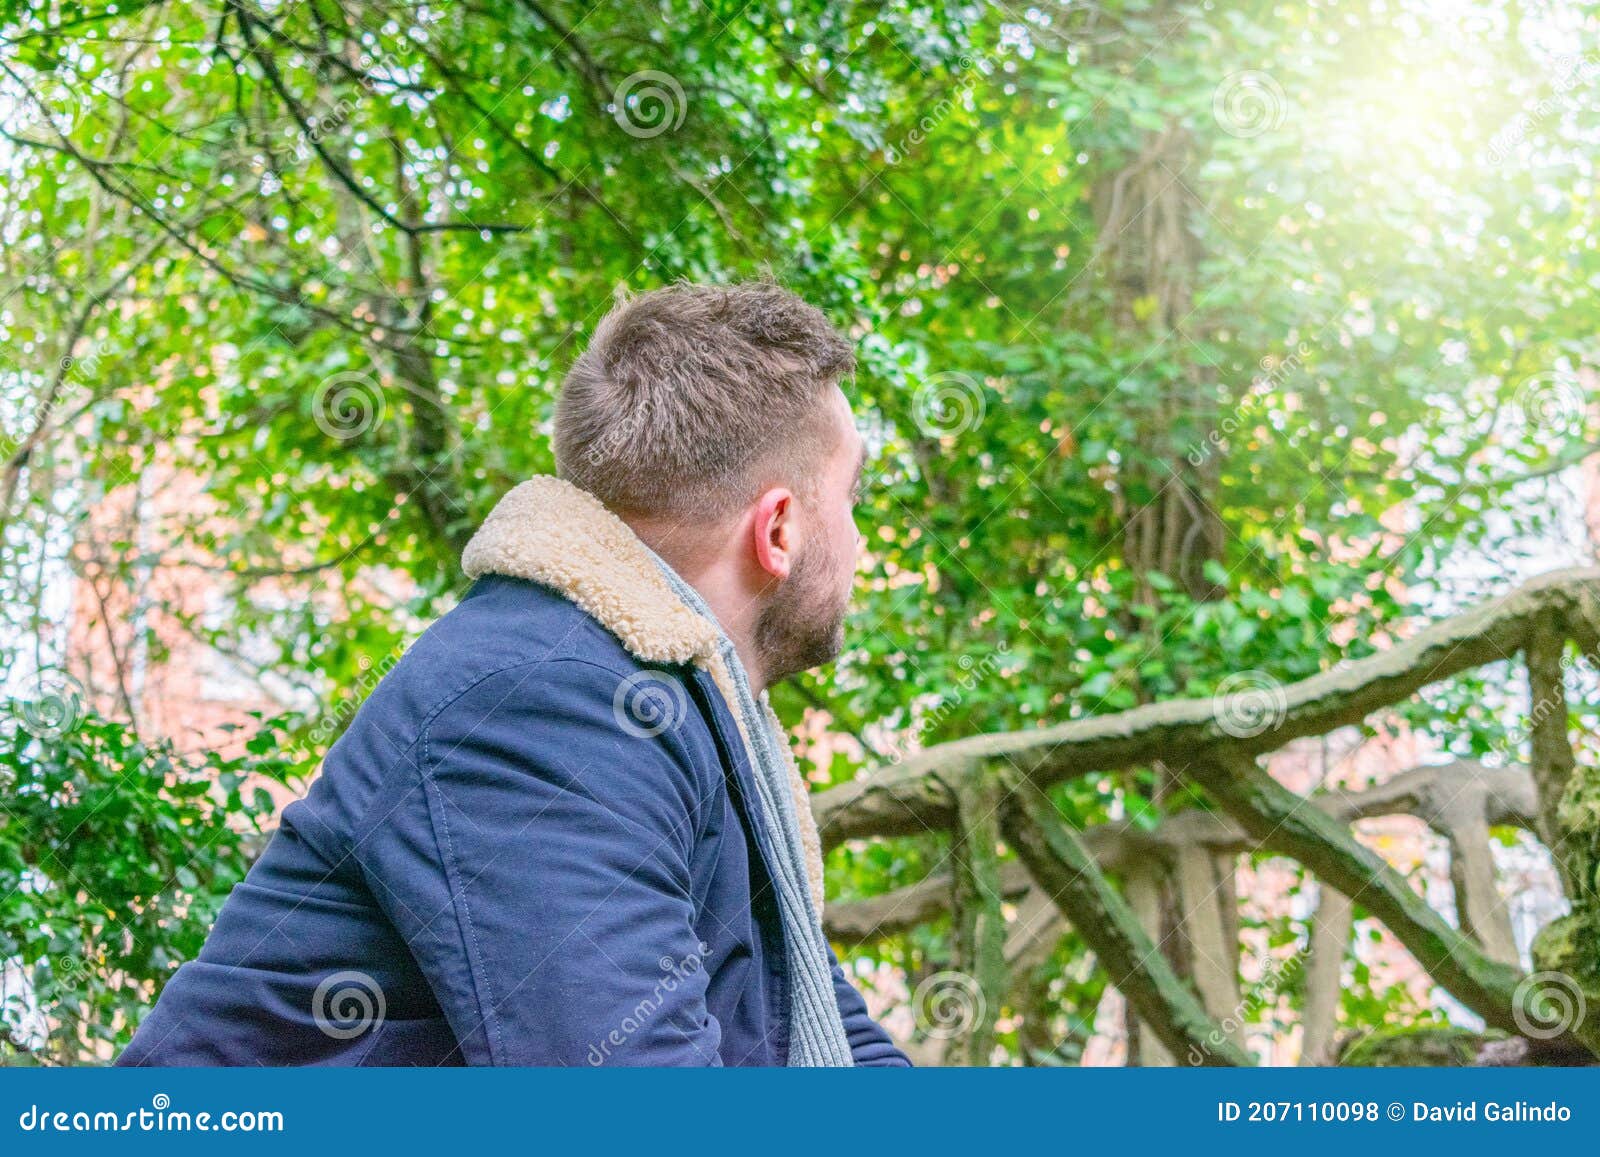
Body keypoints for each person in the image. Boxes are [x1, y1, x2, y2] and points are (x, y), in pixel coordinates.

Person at [119, 281, 909, 1066]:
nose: (860, 536)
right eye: (851, 495)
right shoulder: (542, 700)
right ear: (779, 529)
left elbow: (817, 1027)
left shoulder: (686, 718)